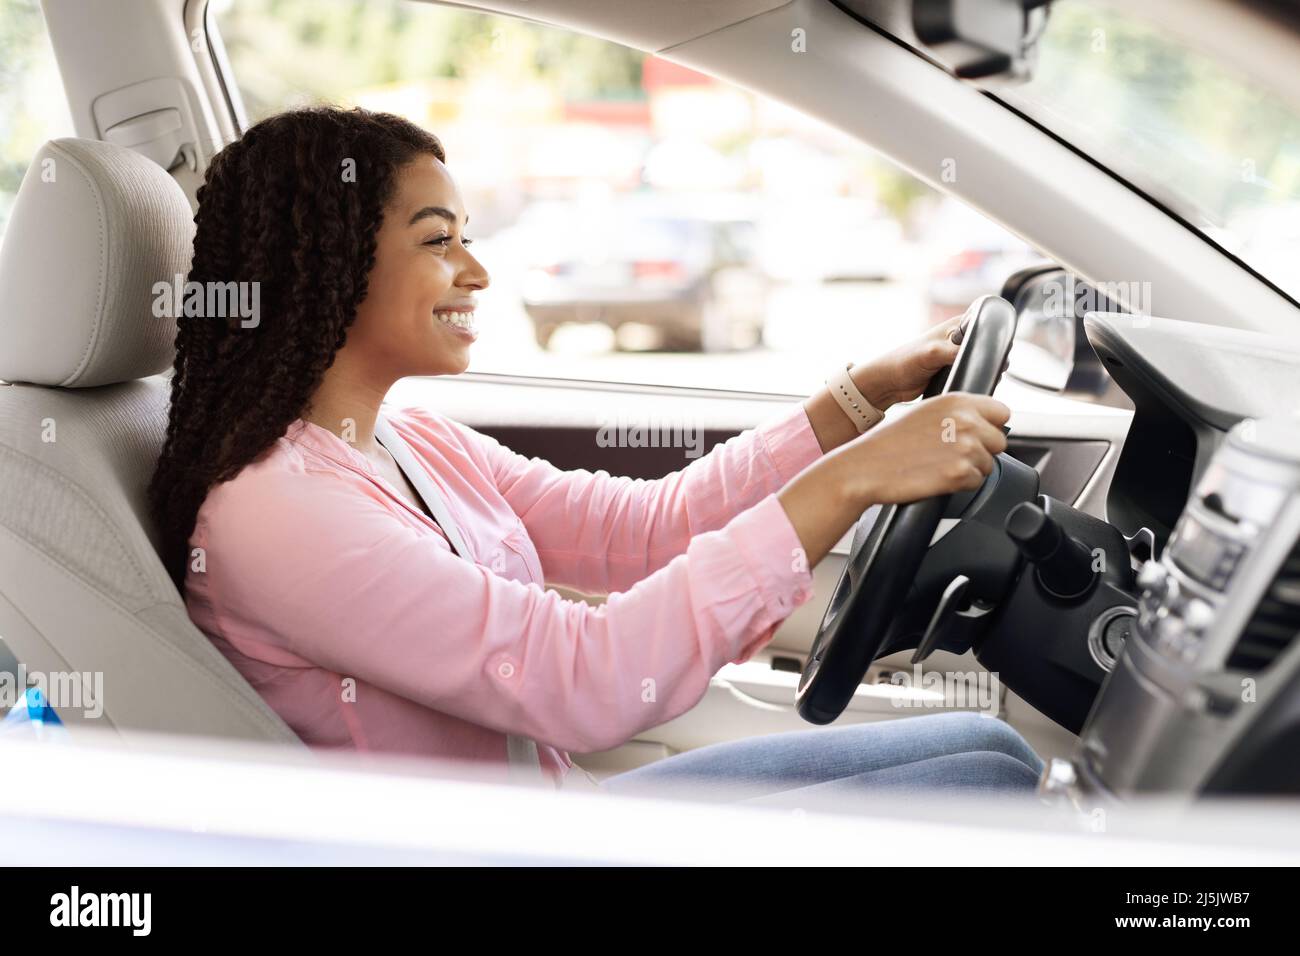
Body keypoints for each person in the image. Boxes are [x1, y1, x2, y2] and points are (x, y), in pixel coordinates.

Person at [148, 106, 1040, 803]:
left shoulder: (406, 441)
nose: (477, 271)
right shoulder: (278, 513)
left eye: (467, 235)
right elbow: (589, 680)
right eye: (436, 240)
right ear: (332, 265)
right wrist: (853, 480)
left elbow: (646, 528)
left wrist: (856, 403)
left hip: (561, 812)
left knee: (994, 747)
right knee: (989, 788)